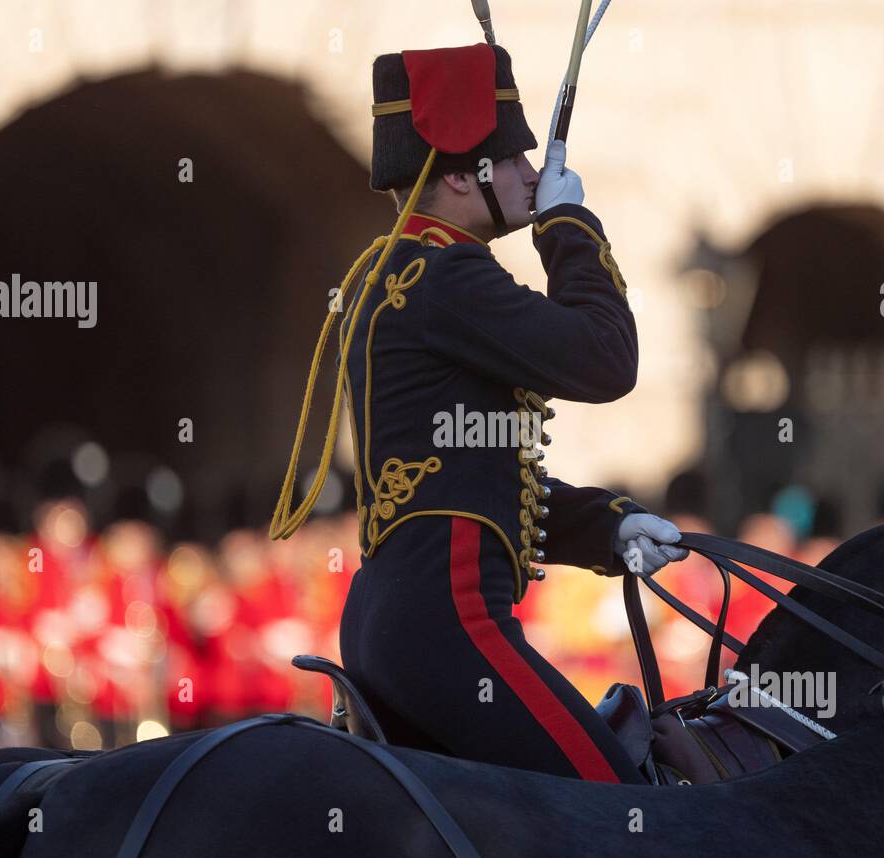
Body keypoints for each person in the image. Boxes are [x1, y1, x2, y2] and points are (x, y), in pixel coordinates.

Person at [272, 42, 686, 784]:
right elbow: (605, 359)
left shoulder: (400, 269)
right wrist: (569, 226)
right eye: (518, 160)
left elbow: (468, 485)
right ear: (463, 174)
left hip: (401, 622)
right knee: (618, 807)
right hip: (448, 623)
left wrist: (606, 527)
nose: (534, 175)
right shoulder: (444, 274)